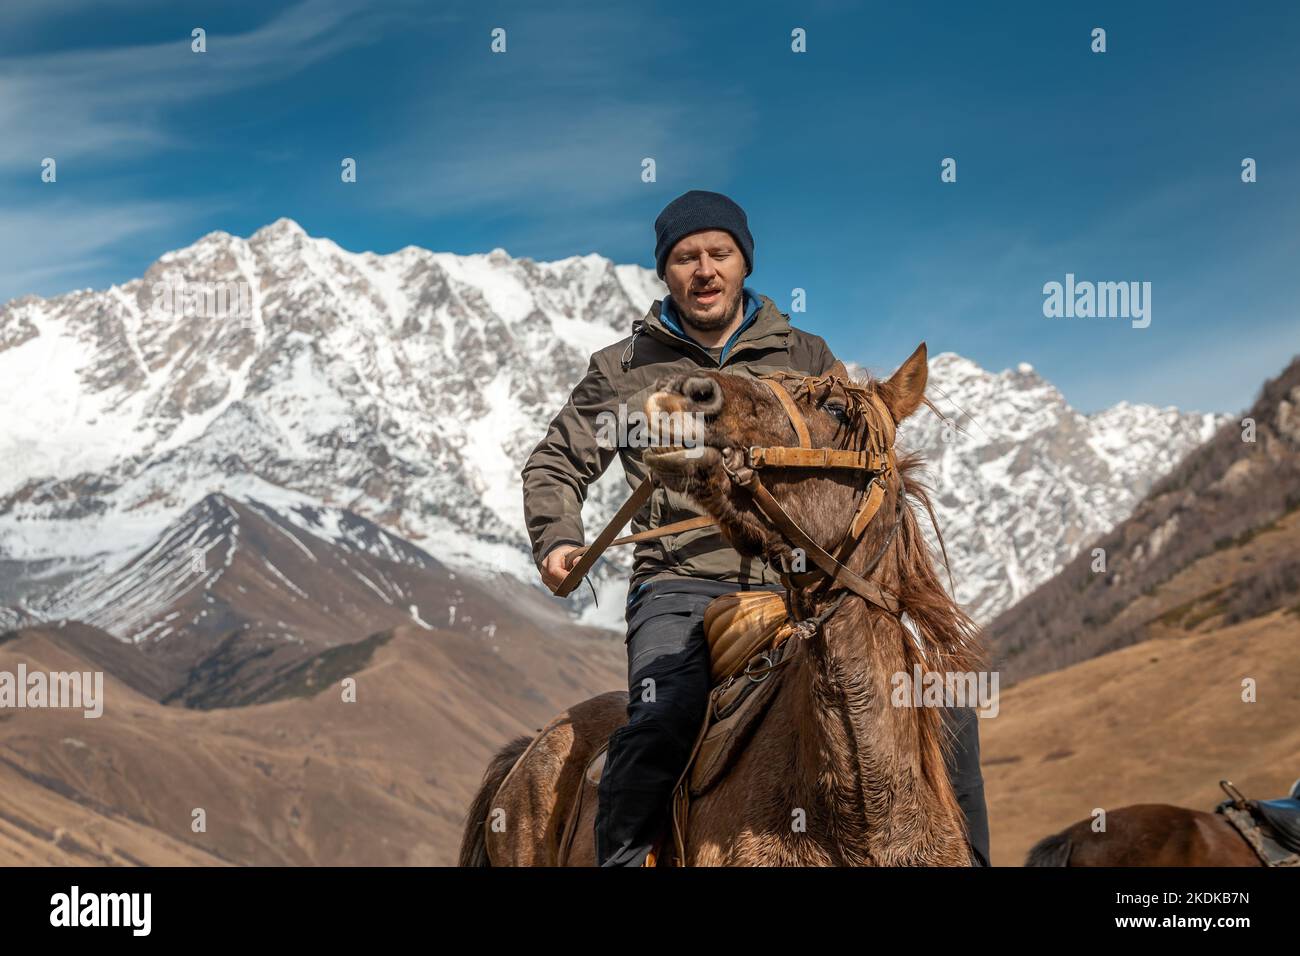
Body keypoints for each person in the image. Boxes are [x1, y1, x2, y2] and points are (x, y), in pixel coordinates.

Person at [521, 189, 990, 867]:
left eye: (719, 252)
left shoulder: (804, 357)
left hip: (797, 582)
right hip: (678, 585)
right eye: (685, 257)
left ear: (744, 262)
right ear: (665, 271)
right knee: (658, 720)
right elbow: (557, 460)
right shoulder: (624, 370)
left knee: (945, 707)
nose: (703, 269)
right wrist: (558, 537)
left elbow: (849, 461)